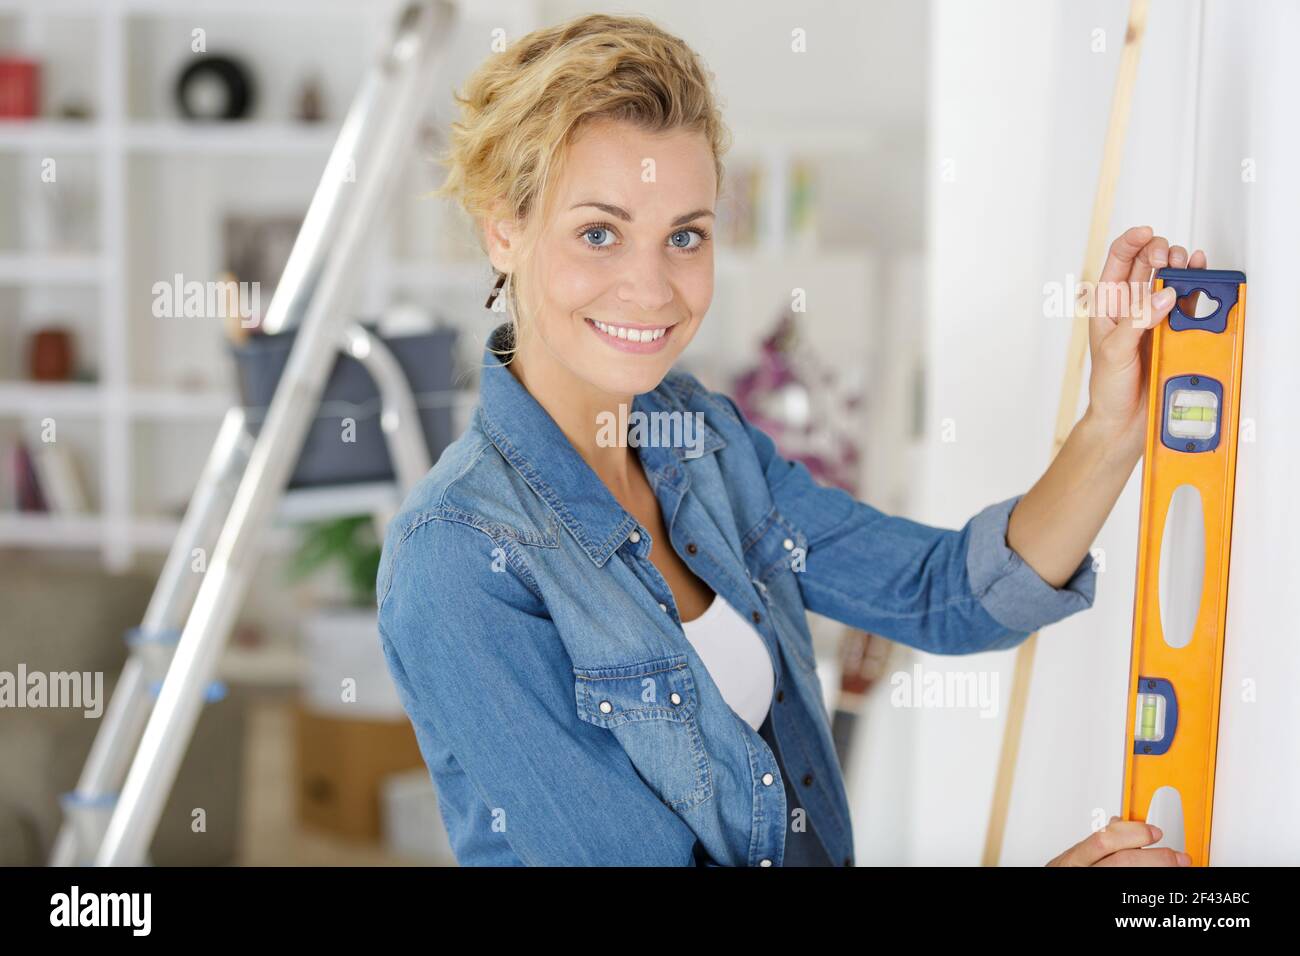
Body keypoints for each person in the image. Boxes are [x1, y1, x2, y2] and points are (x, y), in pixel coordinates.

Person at [376, 12, 1204, 866]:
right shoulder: (460, 557)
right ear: (503, 230)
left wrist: (1113, 423)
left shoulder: (704, 446)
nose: (651, 288)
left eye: (684, 236)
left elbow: (945, 595)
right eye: (599, 233)